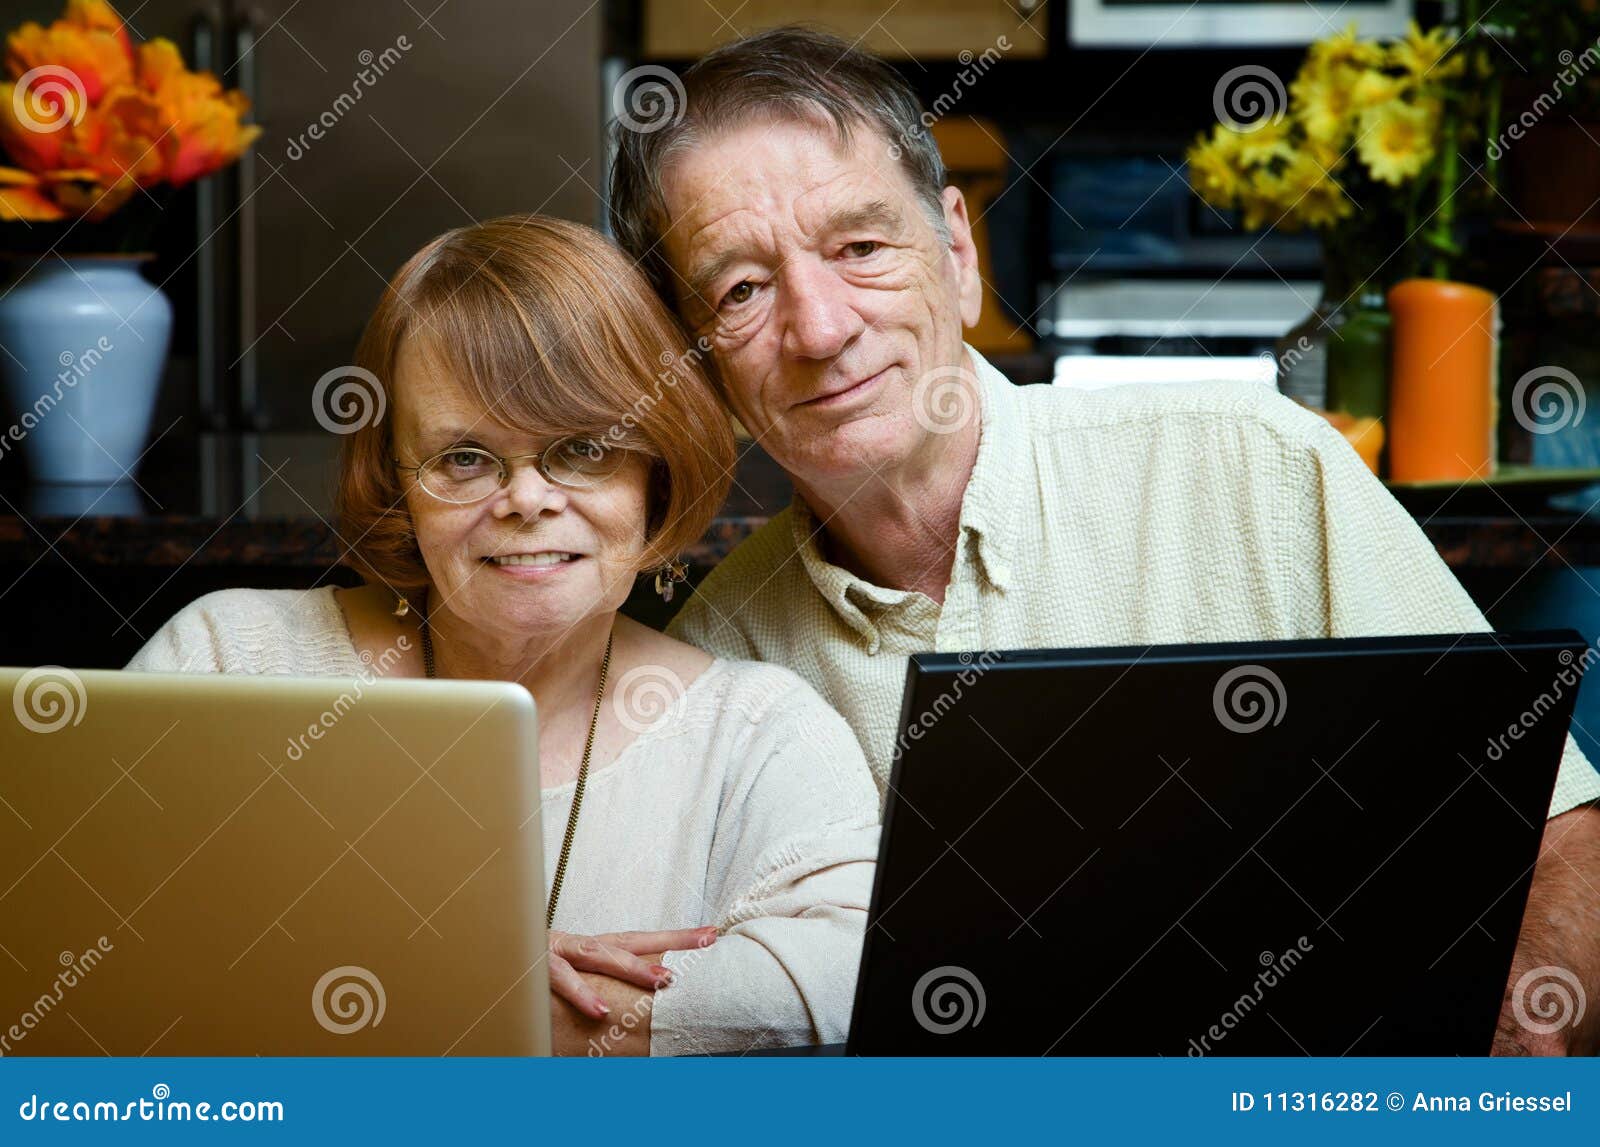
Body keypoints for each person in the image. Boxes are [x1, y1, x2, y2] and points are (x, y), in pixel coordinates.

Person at [608, 25, 1600, 1056]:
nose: (819, 329)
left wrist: (1516, 1031)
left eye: (860, 248)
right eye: (742, 291)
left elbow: (1557, 830)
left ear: (956, 254)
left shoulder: (1255, 463)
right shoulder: (711, 657)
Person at [126, 214, 879, 1056]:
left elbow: (858, 968)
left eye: (585, 447)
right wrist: (477, 985)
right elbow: (95, 950)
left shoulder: (756, 729)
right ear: (396, 482)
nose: (526, 499)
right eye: (464, 458)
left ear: (654, 474)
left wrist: (535, 1014)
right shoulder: (231, 660)